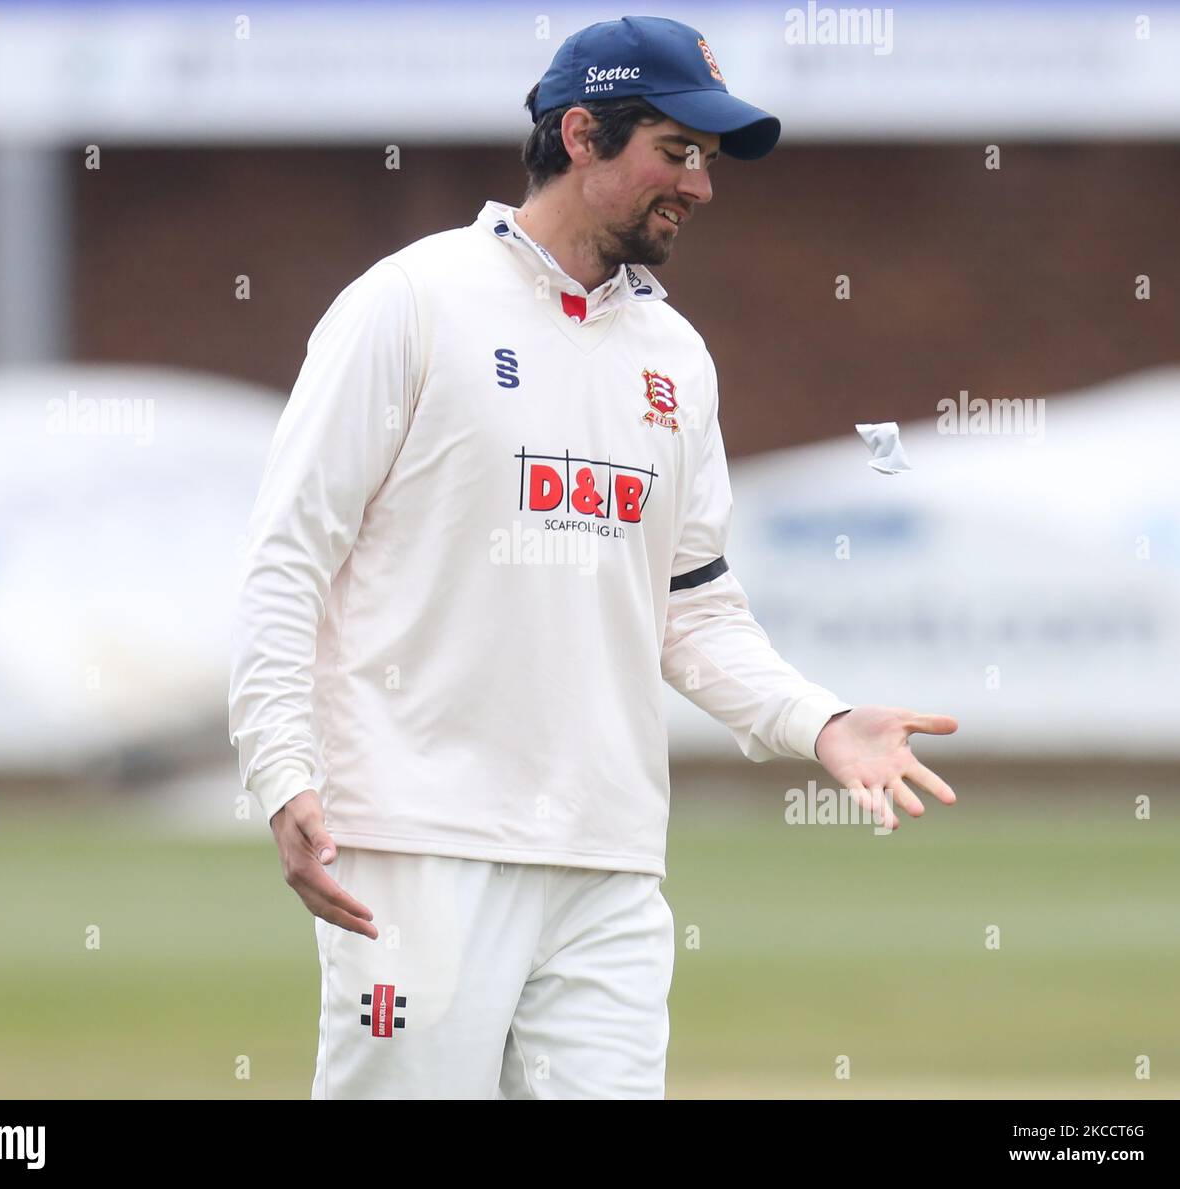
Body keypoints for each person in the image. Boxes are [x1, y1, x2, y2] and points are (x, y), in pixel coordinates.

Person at [228, 14, 958, 1100]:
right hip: (418, 840)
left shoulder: (674, 354)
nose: (699, 187)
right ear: (579, 135)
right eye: (675, 152)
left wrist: (819, 719)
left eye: (703, 159)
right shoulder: (413, 301)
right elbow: (287, 556)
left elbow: (692, 607)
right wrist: (281, 771)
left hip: (608, 856)